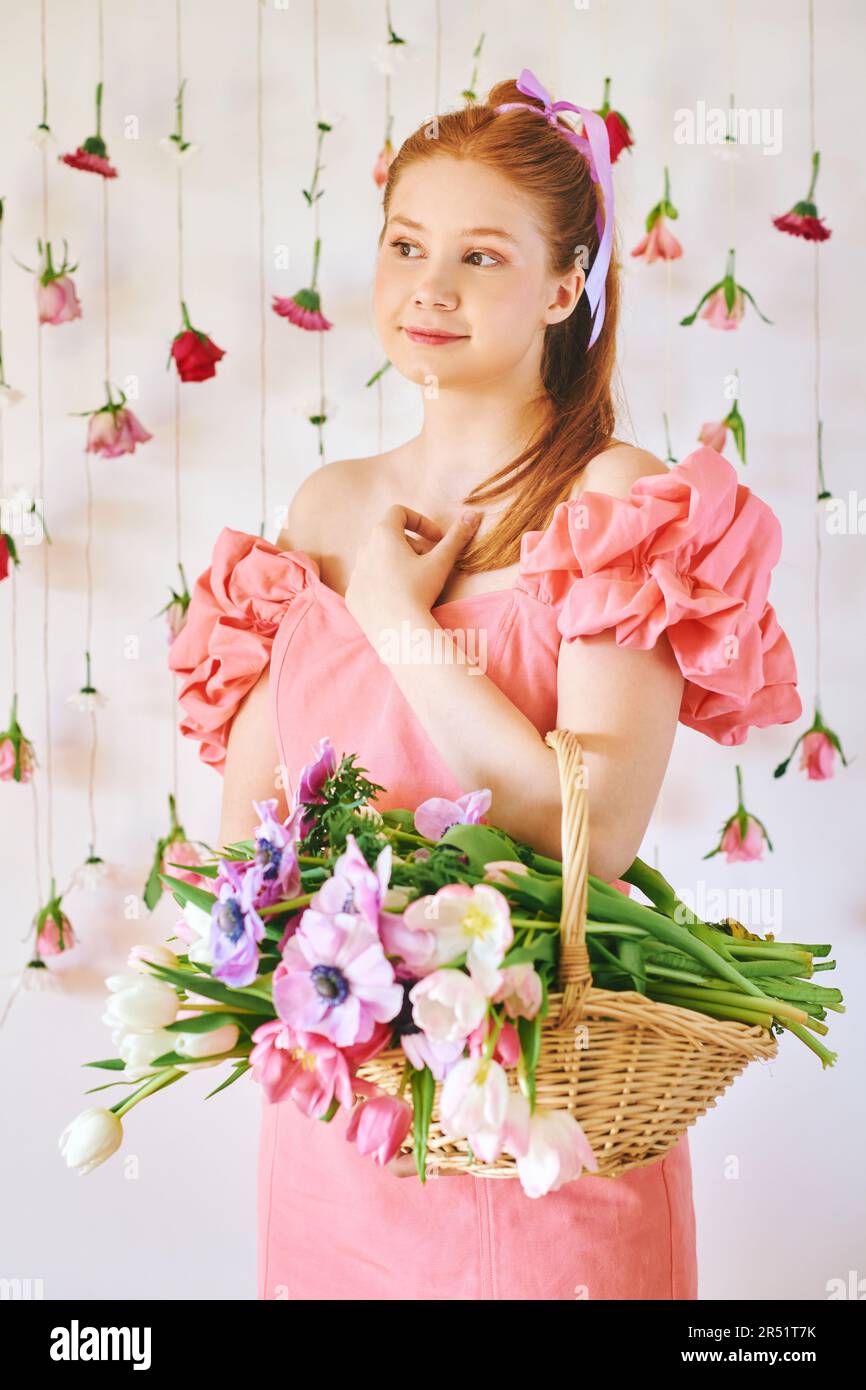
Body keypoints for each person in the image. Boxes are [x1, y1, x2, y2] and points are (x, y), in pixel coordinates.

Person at [167, 70, 801, 1300]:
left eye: (480, 256)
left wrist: (398, 618)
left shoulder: (614, 501)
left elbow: (589, 830)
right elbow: (250, 828)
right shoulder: (327, 505)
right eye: (405, 244)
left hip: (536, 1135)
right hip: (341, 1131)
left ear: (566, 287)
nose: (427, 287)